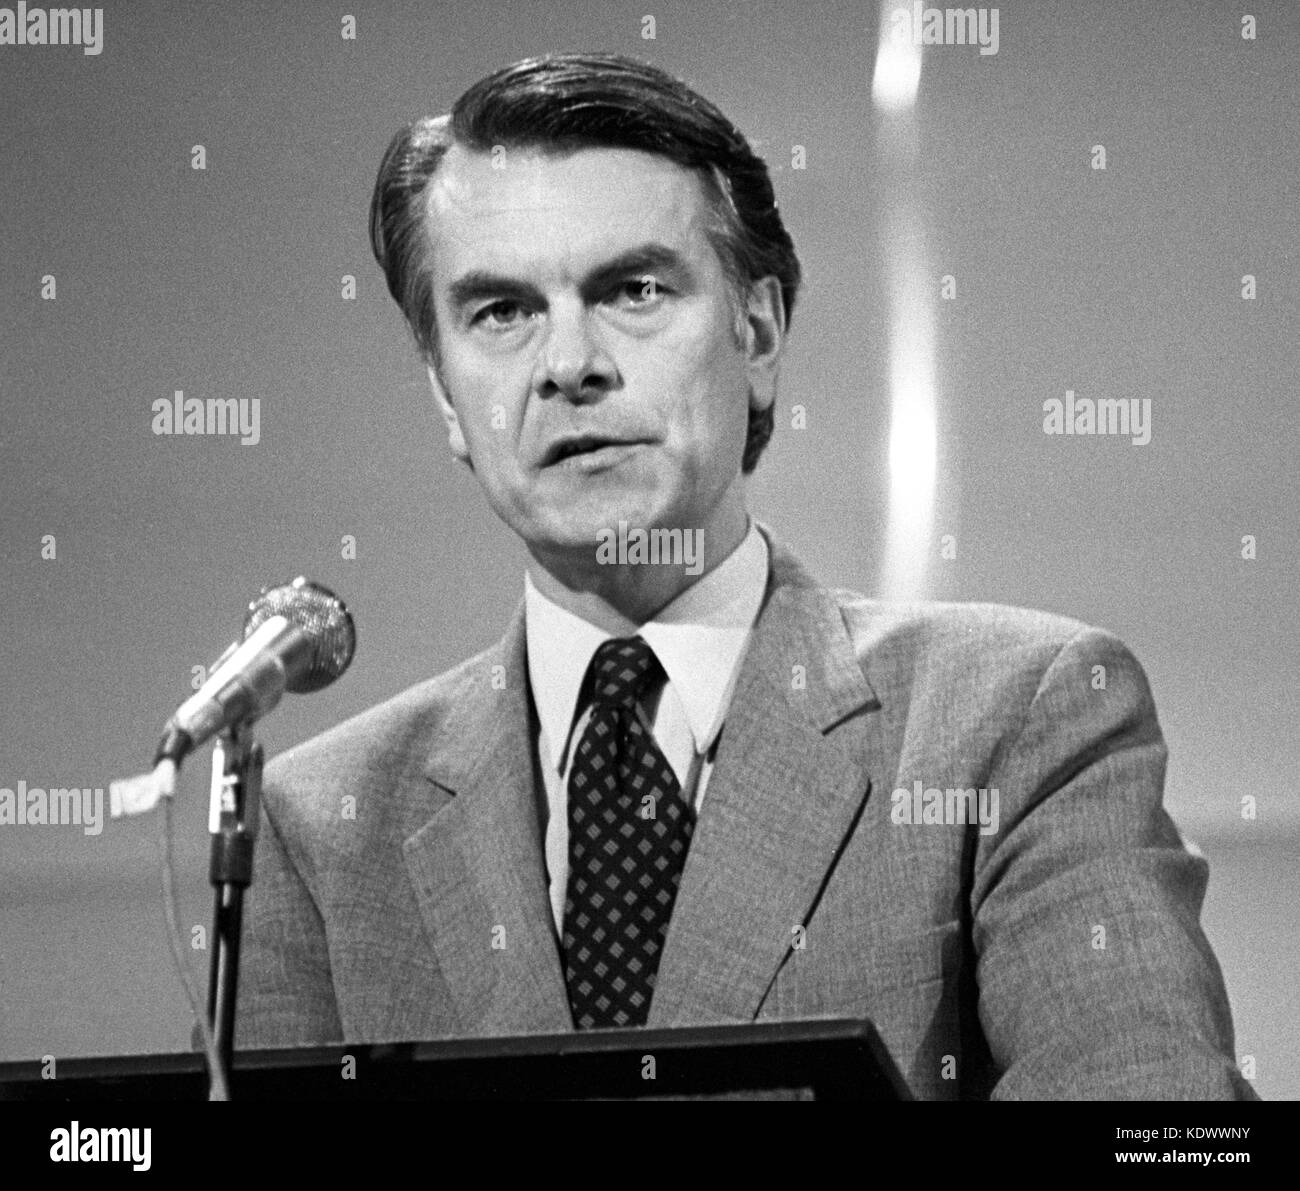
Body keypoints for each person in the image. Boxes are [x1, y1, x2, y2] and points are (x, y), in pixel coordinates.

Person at [236, 52, 1252, 1100]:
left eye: (631, 290)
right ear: (447, 397)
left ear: (757, 332)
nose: (567, 362)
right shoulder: (320, 825)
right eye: (500, 312)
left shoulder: (1015, 717)